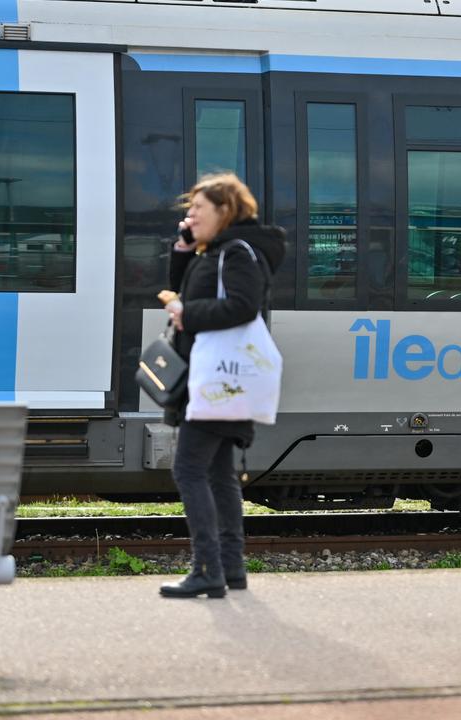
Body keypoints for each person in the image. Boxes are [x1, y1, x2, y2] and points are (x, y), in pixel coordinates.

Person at [157, 173, 285, 599]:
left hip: (220, 379)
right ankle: (231, 569)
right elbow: (187, 286)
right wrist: (184, 248)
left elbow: (242, 307)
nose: (190, 216)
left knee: (188, 469)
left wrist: (187, 315)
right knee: (217, 473)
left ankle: (208, 568)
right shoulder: (218, 250)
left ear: (225, 212)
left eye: (198, 210)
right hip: (215, 377)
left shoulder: (239, 254)